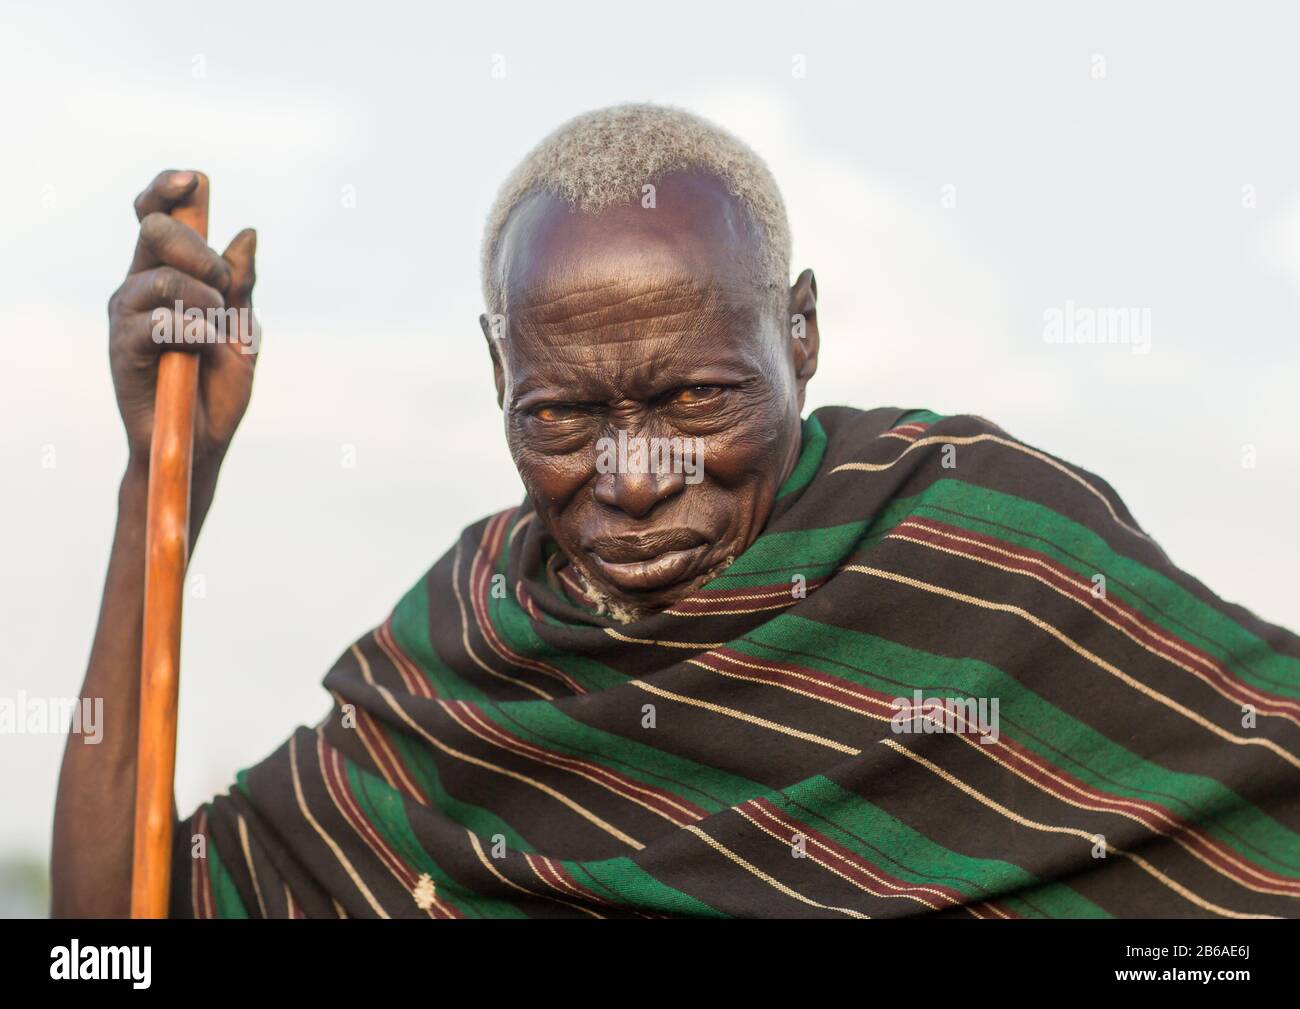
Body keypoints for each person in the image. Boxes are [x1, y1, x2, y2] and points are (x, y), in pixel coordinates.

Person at [53, 104, 1300, 918]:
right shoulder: (473, 656)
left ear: (799, 333)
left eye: (699, 397)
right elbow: (111, 941)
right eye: (560, 418)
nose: (637, 477)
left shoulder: (985, 555)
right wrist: (163, 478)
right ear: (499, 380)